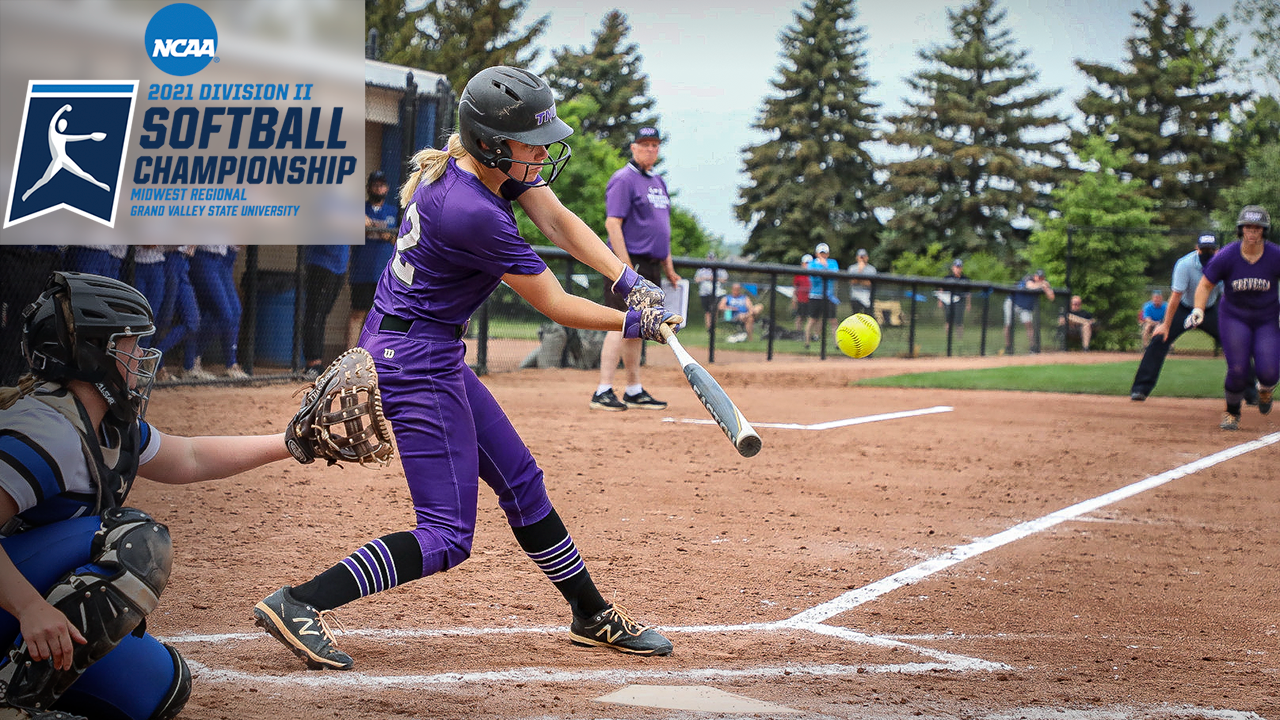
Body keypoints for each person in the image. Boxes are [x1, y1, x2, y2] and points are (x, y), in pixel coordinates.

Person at [252, 66, 681, 672]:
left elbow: (558, 219)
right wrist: (630, 321)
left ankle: (590, 613)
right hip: (415, 363)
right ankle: (299, 603)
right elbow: (554, 302)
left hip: (428, 350)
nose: (542, 153)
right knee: (446, 535)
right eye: (531, 143)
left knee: (522, 481)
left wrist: (627, 279)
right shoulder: (471, 210)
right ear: (492, 143)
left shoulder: (483, 169)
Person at [0, 272, 295, 720]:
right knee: (134, 539)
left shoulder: (103, 419)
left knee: (161, 689)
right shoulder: (46, 430)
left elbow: (190, 457)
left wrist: (292, 443)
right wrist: (31, 609)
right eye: (130, 344)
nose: (142, 356)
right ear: (91, 353)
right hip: (13, 600)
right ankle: (11, 701)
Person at [590, 126, 681, 412]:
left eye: (655, 145)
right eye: (645, 145)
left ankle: (633, 389)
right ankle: (603, 390)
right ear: (633, 147)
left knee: (638, 328)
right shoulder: (623, 179)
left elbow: (661, 229)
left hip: (651, 265)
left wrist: (669, 267)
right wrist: (626, 268)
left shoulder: (658, 182)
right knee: (618, 321)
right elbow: (612, 224)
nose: (650, 149)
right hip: (628, 264)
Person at [1129, 234, 1257, 403]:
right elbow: (1175, 297)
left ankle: (1251, 393)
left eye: (1210, 250)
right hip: (1184, 308)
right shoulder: (1185, 264)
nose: (1207, 253)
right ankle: (1140, 389)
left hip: (1210, 309)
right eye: (1203, 249)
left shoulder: (1225, 266)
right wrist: (1166, 325)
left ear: (1217, 250)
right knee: (1160, 339)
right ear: (1197, 248)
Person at [1186, 205, 1279, 430]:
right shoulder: (1228, 255)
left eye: (1258, 228)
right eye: (1248, 227)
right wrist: (1198, 309)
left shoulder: (1275, 255)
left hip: (1266, 318)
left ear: (1264, 231)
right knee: (1238, 369)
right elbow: (1205, 284)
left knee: (1270, 372)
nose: (1252, 232)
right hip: (1234, 318)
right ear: (1241, 229)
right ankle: (1232, 412)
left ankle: (1264, 390)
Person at [348, 171, 400, 348]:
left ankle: (379, 357)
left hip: (384, 274)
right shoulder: (359, 210)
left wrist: (382, 230)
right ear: (369, 187)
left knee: (383, 317)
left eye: (381, 185)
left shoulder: (393, 211)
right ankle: (350, 356)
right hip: (361, 271)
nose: (378, 188)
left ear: (387, 188)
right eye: (375, 185)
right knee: (357, 314)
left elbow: (398, 240)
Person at [188, 245, 246, 380]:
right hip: (204, 258)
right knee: (223, 314)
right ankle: (192, 359)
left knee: (235, 311)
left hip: (224, 260)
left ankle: (231, 364)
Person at [300, 243, 349, 379]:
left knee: (322, 314)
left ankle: (317, 363)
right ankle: (313, 363)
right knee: (315, 313)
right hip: (320, 263)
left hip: (339, 265)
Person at [153, 246, 201, 381]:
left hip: (184, 262)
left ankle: (154, 355)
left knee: (193, 321)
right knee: (164, 319)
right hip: (169, 261)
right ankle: (158, 367)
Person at [1004, 269, 1055, 353]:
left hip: (1025, 308)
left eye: (1041, 277)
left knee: (1028, 324)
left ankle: (1032, 347)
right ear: (1035, 276)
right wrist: (1042, 284)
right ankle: (1008, 346)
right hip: (1013, 303)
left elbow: (1052, 297)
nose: (1039, 278)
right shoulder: (1028, 278)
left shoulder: (1042, 284)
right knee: (1008, 324)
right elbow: (1029, 286)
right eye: (1038, 277)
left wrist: (1046, 288)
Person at [806, 243, 840, 345]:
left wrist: (824, 266)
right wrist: (823, 268)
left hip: (829, 296)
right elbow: (813, 278)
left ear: (828, 254)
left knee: (833, 320)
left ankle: (837, 344)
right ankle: (807, 343)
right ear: (817, 254)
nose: (823, 255)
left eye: (824, 253)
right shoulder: (812, 264)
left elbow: (834, 275)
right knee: (812, 320)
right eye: (821, 253)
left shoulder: (832, 263)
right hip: (815, 295)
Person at [694, 252, 728, 331]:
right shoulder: (701, 269)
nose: (710, 260)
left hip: (716, 292)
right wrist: (705, 278)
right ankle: (709, 328)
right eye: (709, 258)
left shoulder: (719, 268)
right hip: (704, 293)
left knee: (714, 310)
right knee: (707, 311)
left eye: (712, 258)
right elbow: (696, 279)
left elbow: (724, 279)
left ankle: (713, 327)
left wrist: (714, 278)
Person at [939, 258, 971, 339]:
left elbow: (968, 293)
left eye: (959, 267)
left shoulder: (965, 279)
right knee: (948, 320)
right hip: (948, 301)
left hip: (960, 301)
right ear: (953, 268)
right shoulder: (947, 278)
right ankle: (948, 339)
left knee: (959, 322)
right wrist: (940, 300)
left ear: (961, 268)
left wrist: (968, 304)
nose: (957, 269)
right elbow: (941, 289)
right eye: (956, 267)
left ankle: (959, 339)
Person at [848, 248, 876, 318]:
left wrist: (858, 280)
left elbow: (869, 283)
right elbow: (852, 282)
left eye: (864, 257)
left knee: (868, 315)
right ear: (857, 257)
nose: (862, 259)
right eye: (861, 257)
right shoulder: (852, 268)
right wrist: (860, 270)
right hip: (855, 295)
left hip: (867, 295)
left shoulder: (872, 269)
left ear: (867, 257)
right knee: (855, 315)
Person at [791, 254, 812, 335]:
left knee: (813, 318)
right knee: (800, 317)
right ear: (802, 263)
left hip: (811, 298)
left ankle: (814, 335)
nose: (807, 265)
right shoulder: (799, 274)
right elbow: (795, 288)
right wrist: (794, 299)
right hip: (801, 299)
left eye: (809, 263)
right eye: (806, 263)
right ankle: (798, 333)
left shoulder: (814, 273)